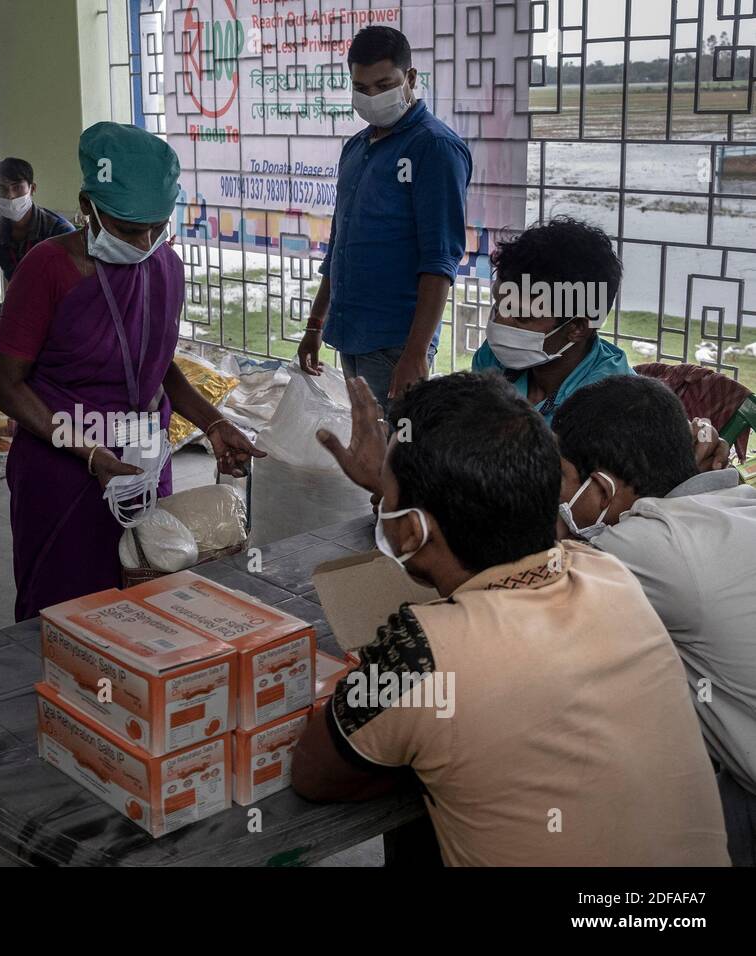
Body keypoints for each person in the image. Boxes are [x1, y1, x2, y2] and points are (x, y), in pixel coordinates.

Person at [294, 371, 729, 866]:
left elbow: (315, 775)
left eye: (386, 501)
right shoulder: (608, 571)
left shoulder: (422, 653)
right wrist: (400, 483)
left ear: (412, 529)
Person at [0, 122, 263, 622]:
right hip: (64, 459)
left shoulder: (166, 266)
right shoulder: (47, 268)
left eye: (157, 227)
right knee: (65, 604)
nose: (145, 241)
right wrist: (89, 453)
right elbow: (6, 387)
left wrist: (215, 423)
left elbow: (155, 367)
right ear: (87, 205)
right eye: (128, 228)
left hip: (142, 457)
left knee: (145, 593)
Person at [551, 374, 756, 865]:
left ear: (600, 487)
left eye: (557, 480)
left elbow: (522, 576)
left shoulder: (650, 545)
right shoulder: (736, 503)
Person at [298, 25, 472, 412]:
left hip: (396, 343)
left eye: (383, 85)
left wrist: (415, 355)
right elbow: (340, 245)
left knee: (400, 453)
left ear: (410, 78)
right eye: (361, 88)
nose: (372, 97)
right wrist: (315, 324)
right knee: (369, 448)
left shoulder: (434, 148)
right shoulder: (357, 148)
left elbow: (439, 260)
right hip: (350, 333)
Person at [472, 216, 633, 423]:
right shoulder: (491, 360)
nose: (500, 322)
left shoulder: (612, 406)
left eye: (522, 317)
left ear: (577, 328)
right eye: (499, 304)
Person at [0, 157, 74, 315]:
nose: (10, 195)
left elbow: (73, 290)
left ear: (32, 188)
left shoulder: (59, 232)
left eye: (17, 187)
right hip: (18, 312)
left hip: (58, 313)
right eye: (2, 188)